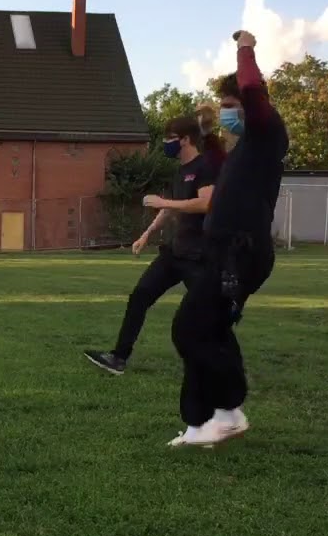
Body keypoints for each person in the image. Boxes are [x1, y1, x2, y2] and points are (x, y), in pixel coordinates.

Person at [167, 30, 289, 448]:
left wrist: (246, 47)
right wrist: (205, 129)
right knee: (208, 332)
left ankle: (229, 410)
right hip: (222, 250)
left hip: (241, 253)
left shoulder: (268, 131)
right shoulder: (243, 149)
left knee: (189, 330)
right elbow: (217, 159)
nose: (226, 114)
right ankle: (200, 425)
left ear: (253, 107)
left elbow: (253, 88)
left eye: (230, 107)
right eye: (222, 108)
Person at [84, 113, 224, 375]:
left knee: (207, 313)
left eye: (169, 138)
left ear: (185, 139)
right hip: (174, 253)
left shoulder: (205, 167)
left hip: (199, 256)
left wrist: (164, 203)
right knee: (140, 296)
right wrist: (146, 233)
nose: (166, 143)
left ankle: (222, 366)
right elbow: (168, 210)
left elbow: (207, 202)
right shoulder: (179, 172)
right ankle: (118, 358)